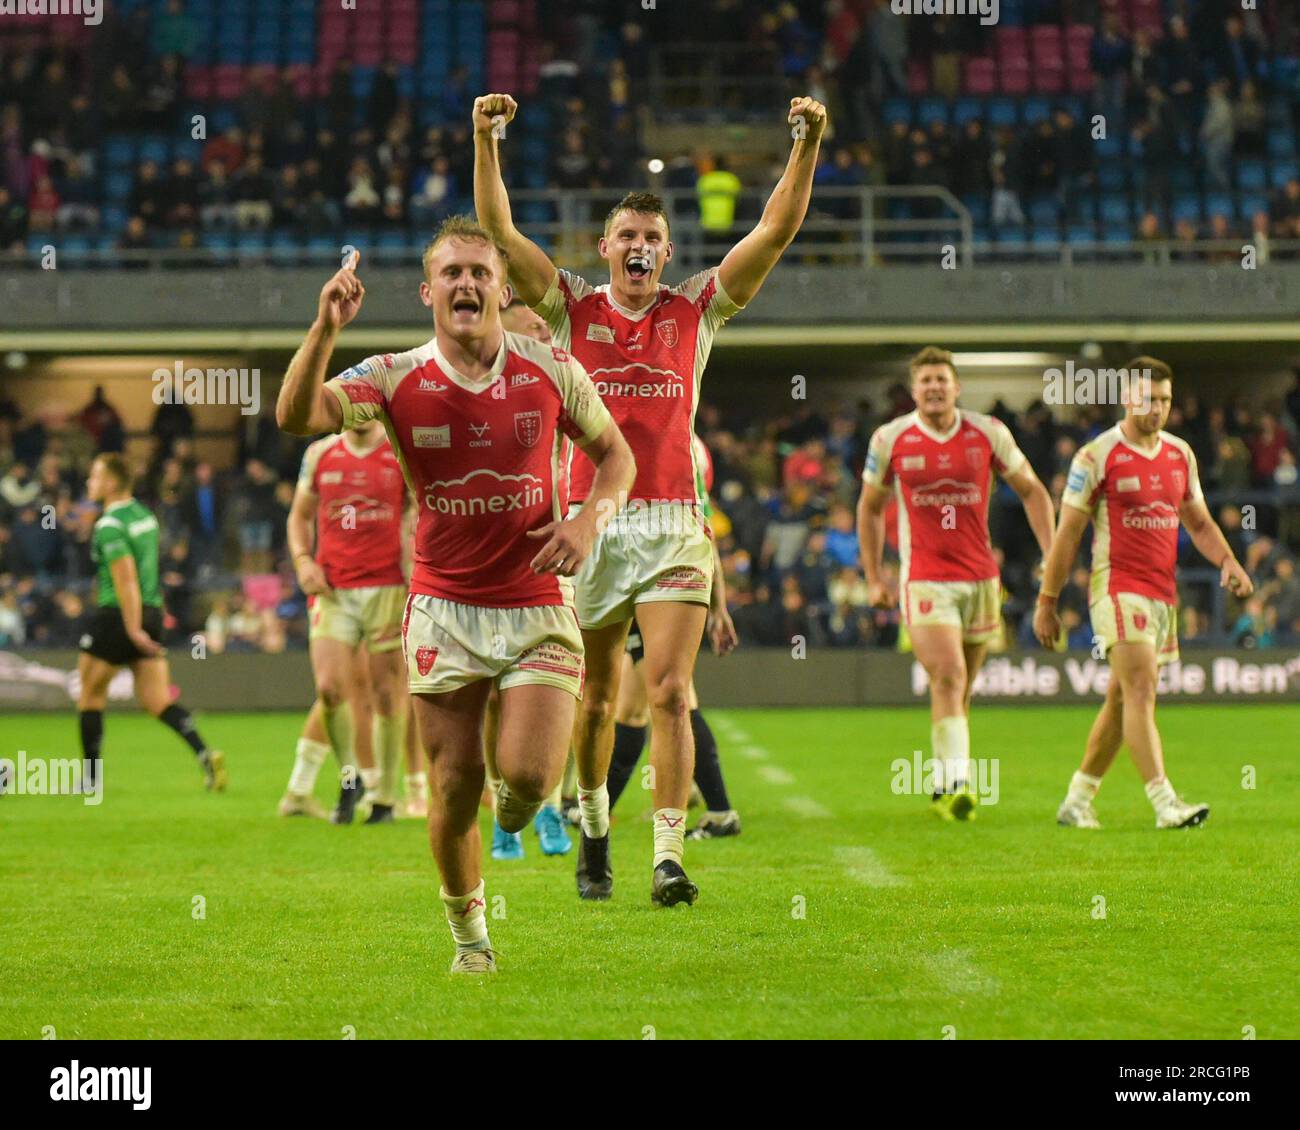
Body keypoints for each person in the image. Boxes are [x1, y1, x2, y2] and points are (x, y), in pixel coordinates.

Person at [473, 90, 826, 906]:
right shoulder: (568, 307)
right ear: (605, 248)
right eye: (627, 236)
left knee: (669, 691)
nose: (640, 246)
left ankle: (667, 857)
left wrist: (804, 145)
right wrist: (486, 141)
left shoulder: (696, 309)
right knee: (596, 700)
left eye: (653, 239)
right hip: (592, 527)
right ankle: (594, 830)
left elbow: (773, 230)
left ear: (667, 254)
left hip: (673, 524)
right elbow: (498, 235)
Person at [275, 219, 634, 973]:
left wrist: (587, 520)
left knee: (529, 779)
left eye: (479, 272)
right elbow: (296, 417)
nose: (466, 284)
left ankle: (518, 814)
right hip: (444, 607)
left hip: (536, 601)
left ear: (503, 289)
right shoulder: (393, 375)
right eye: (452, 273)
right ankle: (472, 945)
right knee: (451, 780)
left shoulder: (551, 368)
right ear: (427, 291)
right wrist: (323, 327)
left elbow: (617, 458)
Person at [1035, 358, 1254, 829]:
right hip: (1117, 589)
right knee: (1140, 690)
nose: (1155, 408)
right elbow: (1068, 532)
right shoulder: (1097, 455)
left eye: (1164, 400)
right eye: (1146, 398)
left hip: (1161, 595)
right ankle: (1164, 802)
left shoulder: (1180, 455)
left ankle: (1077, 799)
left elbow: (1197, 520)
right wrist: (1047, 601)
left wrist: (1228, 560)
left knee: (1120, 699)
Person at [858, 347, 1054, 820]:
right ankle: (961, 784)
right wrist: (873, 575)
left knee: (959, 689)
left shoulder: (988, 434)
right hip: (925, 578)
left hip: (982, 578)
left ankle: (939, 782)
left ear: (957, 387)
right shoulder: (891, 439)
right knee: (948, 677)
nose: (934, 388)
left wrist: (1053, 555)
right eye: (925, 381)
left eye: (941, 380)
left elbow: (1033, 491)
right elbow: (868, 507)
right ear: (913, 390)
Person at [279, 418, 415, 824]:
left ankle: (386, 799)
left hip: (389, 586)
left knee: (387, 695)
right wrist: (303, 561)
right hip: (332, 589)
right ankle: (351, 774)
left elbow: (424, 508)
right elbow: (299, 516)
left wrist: (418, 565)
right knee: (330, 688)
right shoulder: (320, 453)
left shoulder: (400, 451)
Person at [76, 453, 226, 794]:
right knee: (158, 700)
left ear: (112, 482)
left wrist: (131, 629)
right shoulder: (145, 516)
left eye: (95, 476)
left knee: (90, 695)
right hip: (153, 610)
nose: (90, 482)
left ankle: (90, 780)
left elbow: (126, 579)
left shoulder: (109, 525)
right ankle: (205, 753)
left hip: (118, 615)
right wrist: (146, 621)